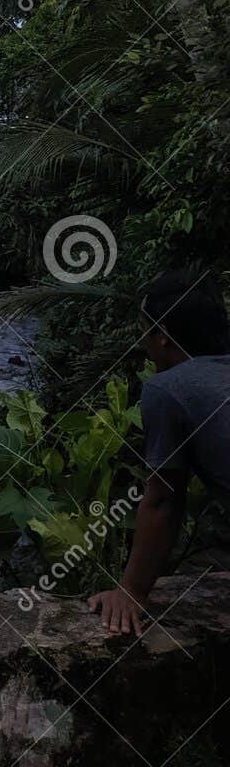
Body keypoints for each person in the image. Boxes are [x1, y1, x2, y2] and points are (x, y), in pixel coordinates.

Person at [90, 270, 230, 637]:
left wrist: (131, 591)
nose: (143, 342)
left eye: (145, 330)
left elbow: (164, 501)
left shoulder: (167, 390)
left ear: (162, 335)